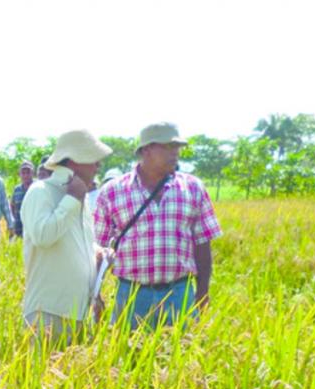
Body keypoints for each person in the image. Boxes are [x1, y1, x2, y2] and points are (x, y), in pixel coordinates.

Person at [94, 122, 222, 329]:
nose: (175, 153)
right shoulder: (112, 192)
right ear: (146, 150)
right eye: (168, 147)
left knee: (180, 355)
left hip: (179, 292)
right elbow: (97, 249)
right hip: (131, 295)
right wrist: (95, 294)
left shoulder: (193, 187)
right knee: (129, 358)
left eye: (177, 148)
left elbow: (202, 244)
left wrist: (203, 291)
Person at [21, 130, 112, 346]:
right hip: (48, 312)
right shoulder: (40, 191)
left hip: (78, 312)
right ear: (74, 161)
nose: (98, 165)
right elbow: (43, 236)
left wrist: (98, 253)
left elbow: (75, 242)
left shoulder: (80, 197)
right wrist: (71, 199)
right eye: (93, 159)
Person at [9, 161, 34, 237]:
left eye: (28, 173)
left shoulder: (37, 187)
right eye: (23, 173)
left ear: (32, 173)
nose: (25, 175)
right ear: (20, 174)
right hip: (19, 229)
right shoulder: (17, 189)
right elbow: (12, 206)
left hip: (33, 229)